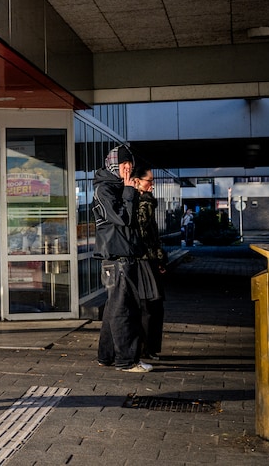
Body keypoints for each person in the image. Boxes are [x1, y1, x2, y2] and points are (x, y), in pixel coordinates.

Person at [94, 145, 154, 373]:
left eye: (130, 165)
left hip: (121, 255)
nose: (128, 169)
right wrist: (129, 192)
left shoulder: (116, 186)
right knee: (124, 310)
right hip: (117, 256)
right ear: (112, 164)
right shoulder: (105, 189)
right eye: (124, 165)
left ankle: (106, 356)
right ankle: (127, 361)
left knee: (114, 309)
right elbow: (124, 219)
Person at [132, 166, 166, 361]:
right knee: (147, 306)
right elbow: (142, 231)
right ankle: (144, 349)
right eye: (149, 181)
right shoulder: (138, 201)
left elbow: (153, 235)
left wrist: (160, 258)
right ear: (137, 181)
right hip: (141, 261)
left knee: (156, 306)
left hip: (151, 259)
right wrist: (145, 200)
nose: (152, 186)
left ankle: (151, 348)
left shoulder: (147, 201)